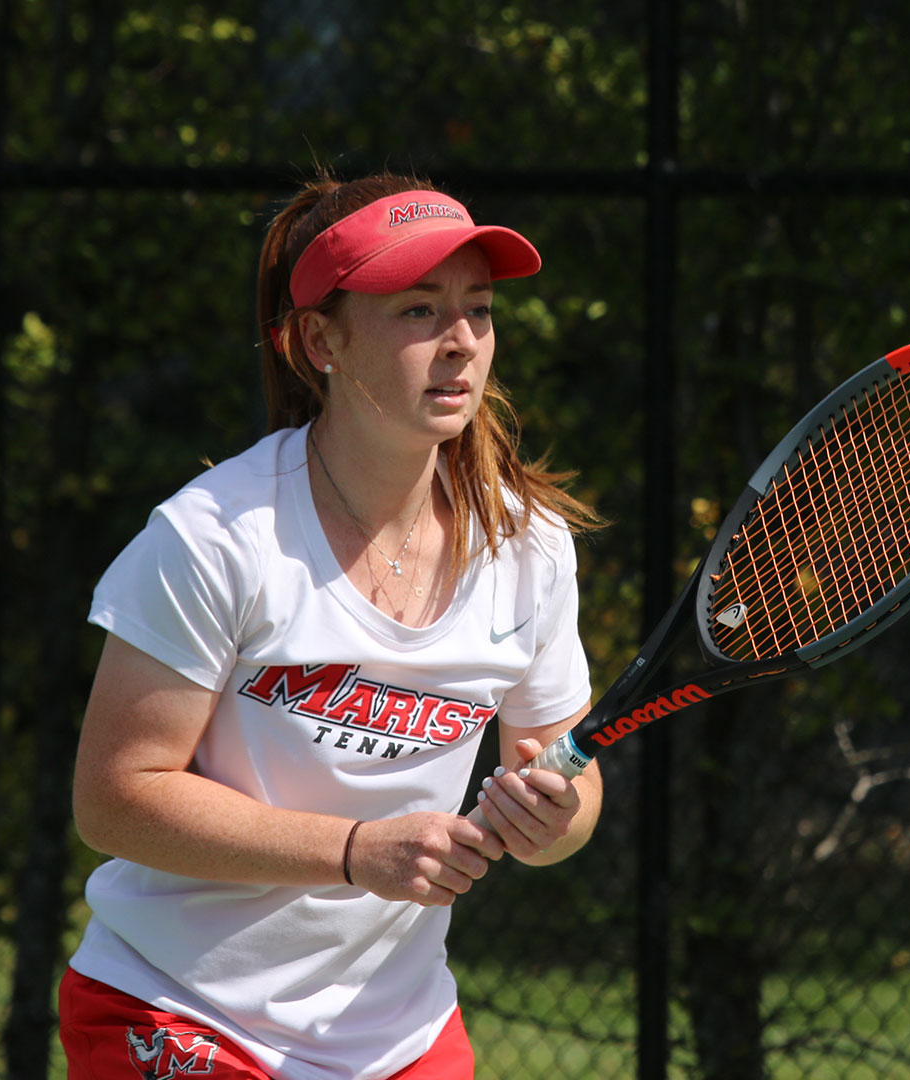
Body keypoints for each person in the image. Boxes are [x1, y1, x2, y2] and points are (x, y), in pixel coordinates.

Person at [58, 172, 605, 1080]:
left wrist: (554, 817)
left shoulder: (530, 546)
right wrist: (355, 851)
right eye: (419, 311)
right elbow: (115, 796)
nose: (461, 342)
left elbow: (562, 769)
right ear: (322, 340)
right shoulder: (214, 537)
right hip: (179, 1007)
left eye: (478, 309)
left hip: (401, 1037)